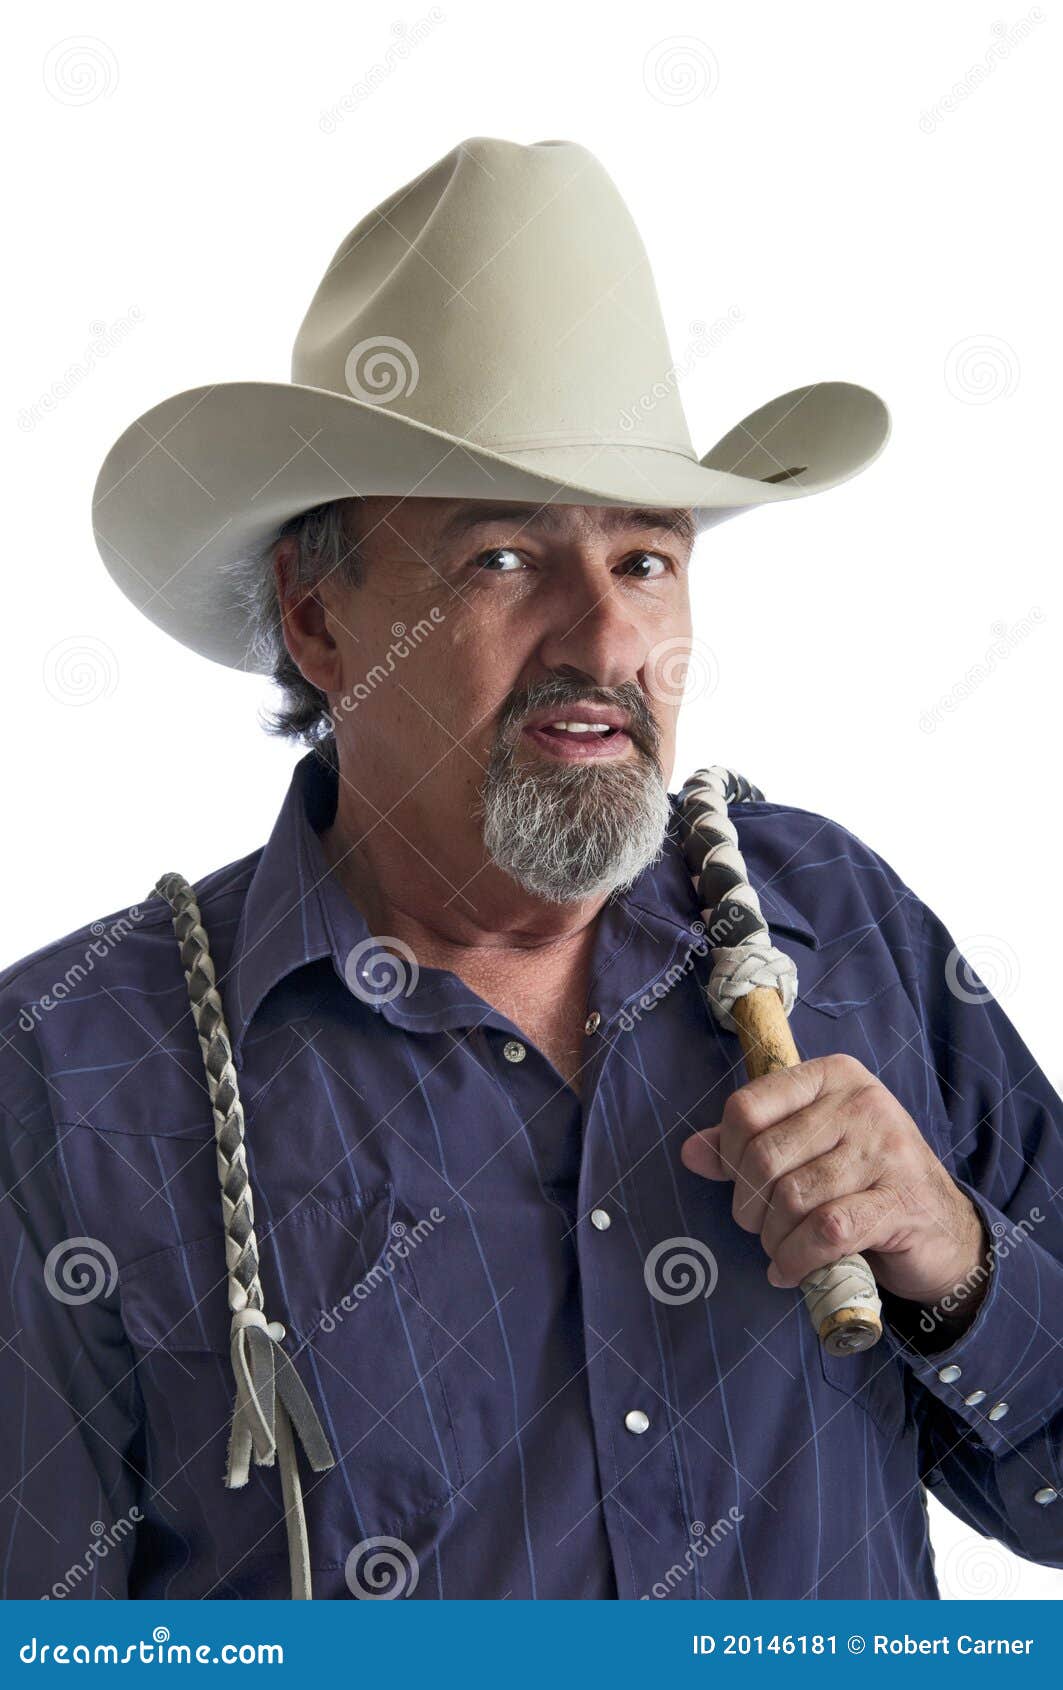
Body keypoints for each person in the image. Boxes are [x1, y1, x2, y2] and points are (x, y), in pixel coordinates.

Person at [1, 137, 1059, 1601]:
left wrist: (962, 1266)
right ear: (320, 622)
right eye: (502, 558)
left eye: (645, 559)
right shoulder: (69, 1074)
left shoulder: (847, 932)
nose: (606, 641)